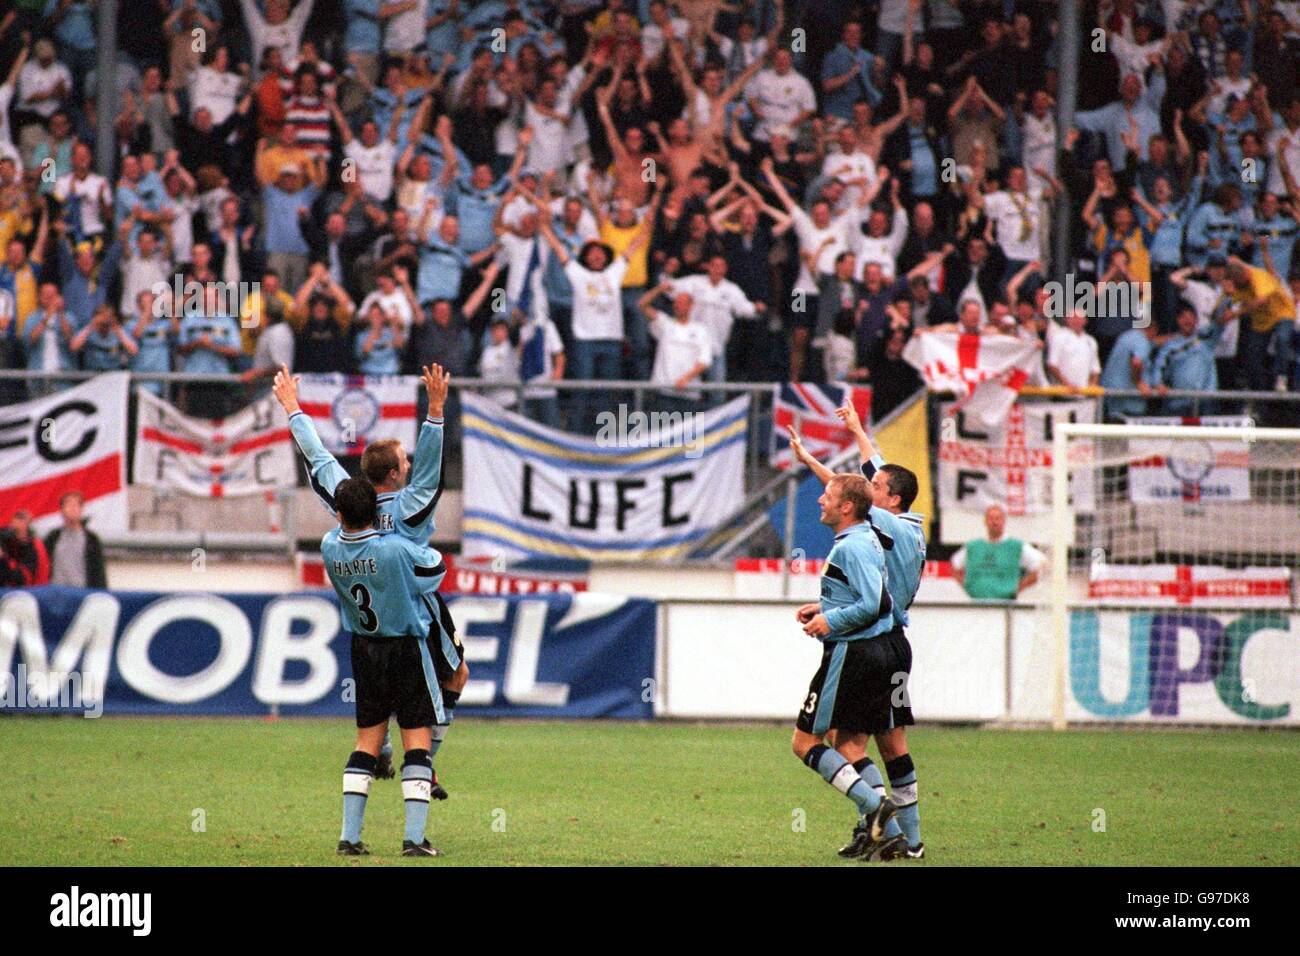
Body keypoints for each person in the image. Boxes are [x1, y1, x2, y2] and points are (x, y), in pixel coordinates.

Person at [272, 363, 463, 795]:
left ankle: (388, 755)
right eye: (403, 459)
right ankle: (423, 763)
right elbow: (431, 469)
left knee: (378, 709)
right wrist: (435, 410)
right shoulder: (412, 507)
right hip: (416, 611)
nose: (410, 462)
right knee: (453, 679)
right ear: (394, 475)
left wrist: (292, 408)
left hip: (369, 620)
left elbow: (318, 458)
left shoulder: (350, 500)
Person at [788, 404, 927, 861]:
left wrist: (833, 616)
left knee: (871, 745)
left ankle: (885, 818)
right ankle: (902, 839)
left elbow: (854, 491)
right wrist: (833, 447)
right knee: (860, 743)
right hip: (888, 641)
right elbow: (854, 487)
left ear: (890, 500)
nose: (871, 486)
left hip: (875, 639)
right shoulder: (893, 527)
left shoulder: (889, 529)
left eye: (878, 487)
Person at [319, 475, 446, 857]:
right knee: (417, 743)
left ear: (339, 513)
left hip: (364, 649)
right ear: (377, 512)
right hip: (405, 648)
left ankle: (349, 838)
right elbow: (435, 571)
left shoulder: (328, 546)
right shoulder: (394, 549)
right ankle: (414, 839)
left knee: (366, 745)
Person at [951, 505, 1045, 601]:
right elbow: (954, 566)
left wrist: (1019, 588)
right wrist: (968, 587)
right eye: (991, 518)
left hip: (1006, 605)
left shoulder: (1016, 546)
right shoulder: (972, 547)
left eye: (998, 518)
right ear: (985, 521)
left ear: (1004, 521)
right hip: (976, 604)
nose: (994, 522)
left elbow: (1042, 566)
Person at [45, 491, 108, 589]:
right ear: (62, 510)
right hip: (56, 593)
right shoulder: (53, 538)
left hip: (81, 594)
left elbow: (99, 572)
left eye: (76, 505)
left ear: (82, 509)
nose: (73, 509)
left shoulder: (91, 540)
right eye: (69, 505)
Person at [0, 509, 50, 586]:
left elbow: (27, 576)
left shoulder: (35, 545)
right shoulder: (5, 540)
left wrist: (4, 559)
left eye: (22, 522)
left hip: (31, 589)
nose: (18, 525)